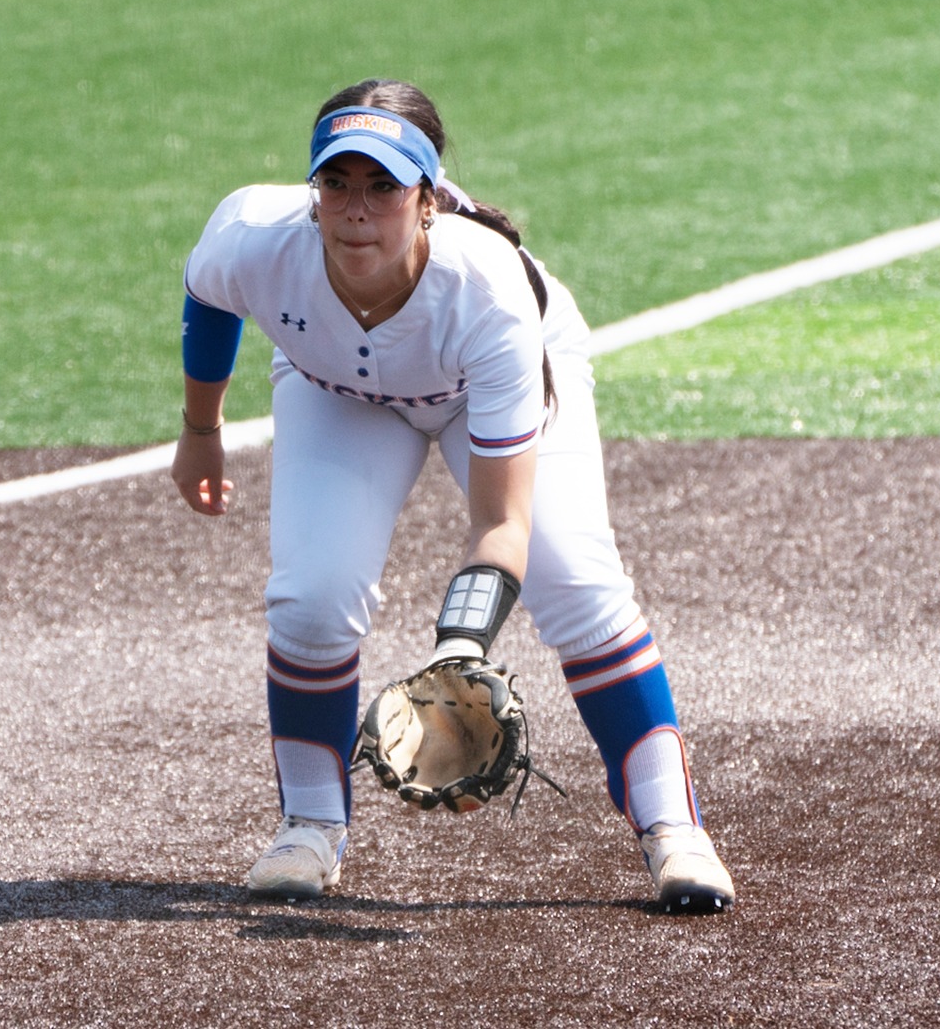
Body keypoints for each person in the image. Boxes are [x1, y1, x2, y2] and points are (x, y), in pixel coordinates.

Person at [170, 79, 736, 913]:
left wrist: (458, 647)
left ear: (427, 199)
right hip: (338, 393)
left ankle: (675, 831)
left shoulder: (488, 291)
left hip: (482, 389)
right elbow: (208, 297)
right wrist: (201, 429)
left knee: (574, 580)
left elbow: (502, 523)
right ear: (312, 188)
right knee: (311, 598)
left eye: (384, 187)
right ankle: (309, 828)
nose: (356, 210)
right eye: (337, 183)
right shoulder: (254, 235)